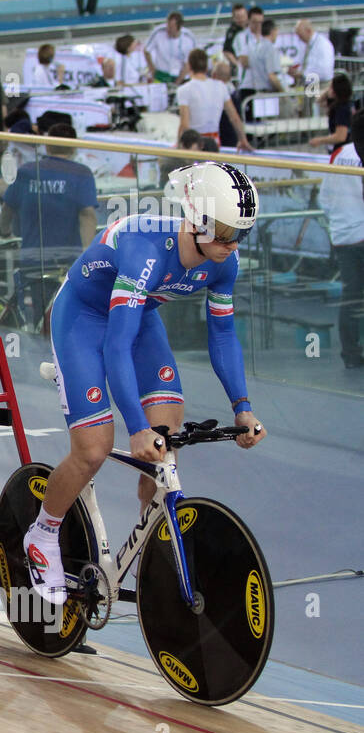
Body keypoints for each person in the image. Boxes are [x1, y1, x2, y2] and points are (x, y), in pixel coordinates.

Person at [23, 162, 267, 604]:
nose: (233, 246)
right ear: (198, 220)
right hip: (83, 319)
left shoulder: (222, 261)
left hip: (140, 319)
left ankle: (156, 543)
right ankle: (43, 532)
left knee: (166, 440)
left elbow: (224, 334)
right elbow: (116, 346)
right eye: (227, 233)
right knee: (95, 448)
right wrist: (135, 427)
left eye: (241, 235)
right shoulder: (145, 249)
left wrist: (242, 407)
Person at [1, 123, 97, 326]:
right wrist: (88, 252)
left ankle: (40, 353)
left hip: (34, 257)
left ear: (47, 145)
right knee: (70, 314)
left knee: (39, 314)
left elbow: (7, 208)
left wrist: (6, 233)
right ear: (73, 146)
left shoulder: (27, 171)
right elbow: (87, 215)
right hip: (68, 260)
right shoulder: (81, 173)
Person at [318, 139, 364, 368]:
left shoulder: (340, 153)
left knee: (351, 296)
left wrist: (338, 223)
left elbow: (325, 197)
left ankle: (351, 353)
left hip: (343, 235)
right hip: (358, 233)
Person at [175, 49, 253, 151]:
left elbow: (184, 124)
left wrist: (178, 146)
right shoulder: (220, 86)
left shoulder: (184, 90)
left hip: (195, 144)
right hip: (214, 142)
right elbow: (235, 118)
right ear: (207, 67)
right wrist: (243, 139)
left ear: (189, 66)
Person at [143, 12, 196, 83]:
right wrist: (152, 70)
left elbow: (189, 62)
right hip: (161, 74)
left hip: (181, 75)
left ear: (179, 27)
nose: (168, 29)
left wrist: (178, 81)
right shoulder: (158, 32)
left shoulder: (188, 38)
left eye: (171, 27)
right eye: (167, 25)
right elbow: (146, 51)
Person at [309, 73, 355, 149]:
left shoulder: (342, 109)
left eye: (330, 87)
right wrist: (330, 89)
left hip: (343, 149)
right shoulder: (345, 103)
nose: (328, 89)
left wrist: (319, 140)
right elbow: (319, 101)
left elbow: (340, 136)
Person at [291, 20, 335, 89]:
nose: (299, 38)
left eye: (300, 35)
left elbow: (324, 71)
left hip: (321, 86)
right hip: (311, 84)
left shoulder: (322, 44)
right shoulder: (309, 44)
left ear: (308, 31)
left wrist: (302, 74)